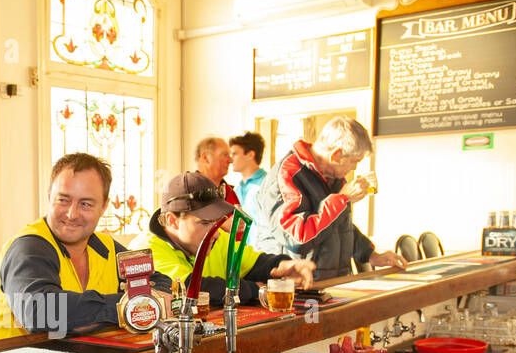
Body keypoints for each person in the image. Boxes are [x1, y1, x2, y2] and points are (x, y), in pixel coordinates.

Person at [0, 152, 168, 340]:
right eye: (63, 200)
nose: (72, 214)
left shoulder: (107, 246)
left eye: (85, 204)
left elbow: (161, 283)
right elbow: (40, 312)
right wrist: (130, 306)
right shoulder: (28, 247)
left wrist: (146, 301)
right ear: (49, 197)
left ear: (104, 207)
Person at [254, 117, 406, 280]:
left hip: (330, 282)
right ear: (336, 155)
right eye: (355, 161)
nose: (354, 167)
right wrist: (342, 199)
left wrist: (370, 254)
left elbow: (338, 226)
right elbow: (296, 238)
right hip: (293, 285)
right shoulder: (288, 173)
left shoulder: (334, 177)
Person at [133, 172, 315, 308]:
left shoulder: (215, 237)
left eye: (216, 222)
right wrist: (255, 289)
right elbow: (191, 289)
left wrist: (285, 266)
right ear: (173, 221)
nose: (216, 233)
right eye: (204, 222)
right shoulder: (145, 251)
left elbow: (255, 263)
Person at [229, 131, 267, 245]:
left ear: (250, 155)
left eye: (235, 154)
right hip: (242, 257)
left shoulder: (267, 185)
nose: (231, 159)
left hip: (262, 256)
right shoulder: (236, 189)